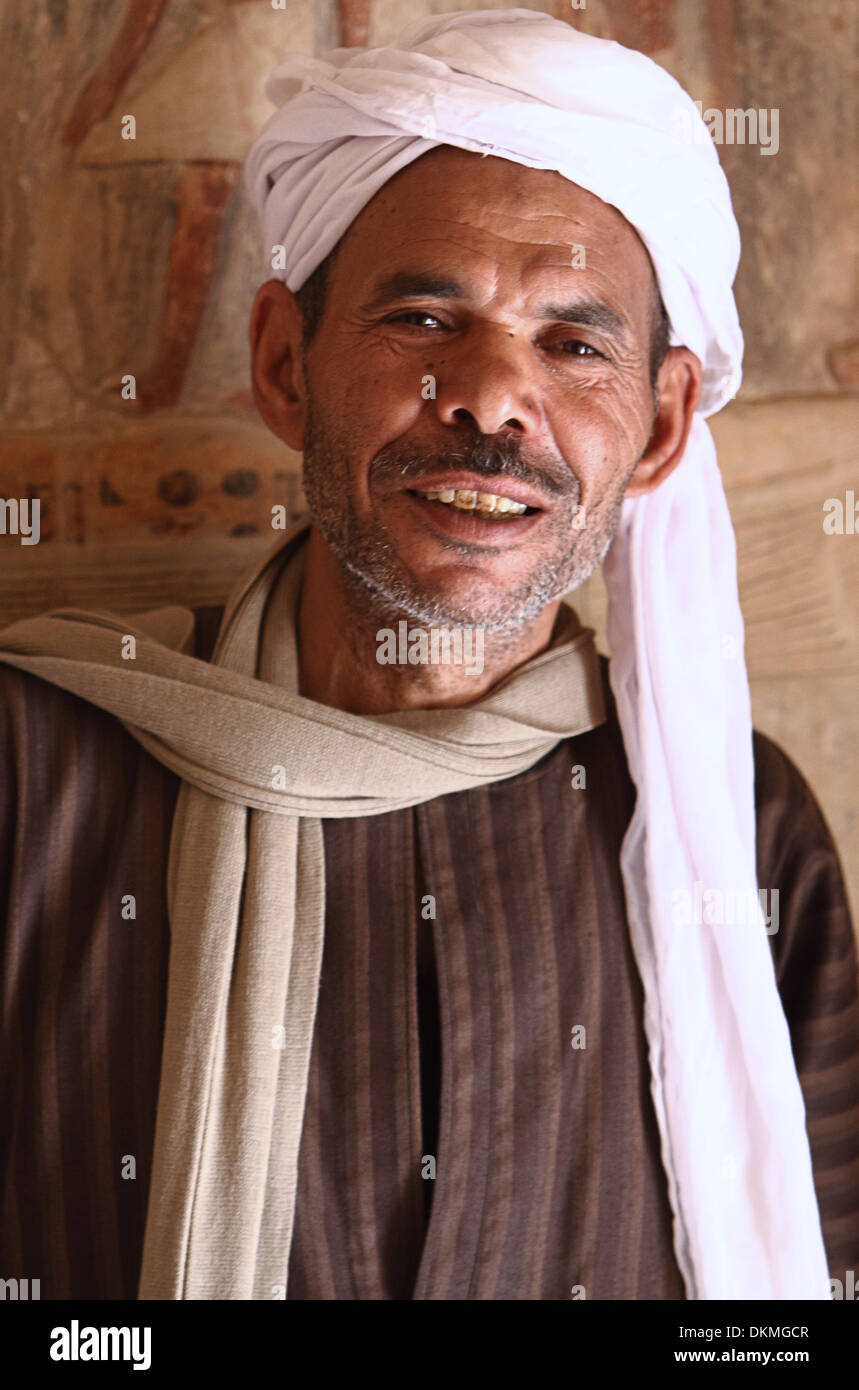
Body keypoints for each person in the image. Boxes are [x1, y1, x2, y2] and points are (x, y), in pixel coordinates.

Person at [1, 9, 857, 1302]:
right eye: (422, 317)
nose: (492, 397)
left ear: (666, 421)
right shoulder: (30, 774)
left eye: (575, 343)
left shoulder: (735, 829)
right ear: (286, 365)